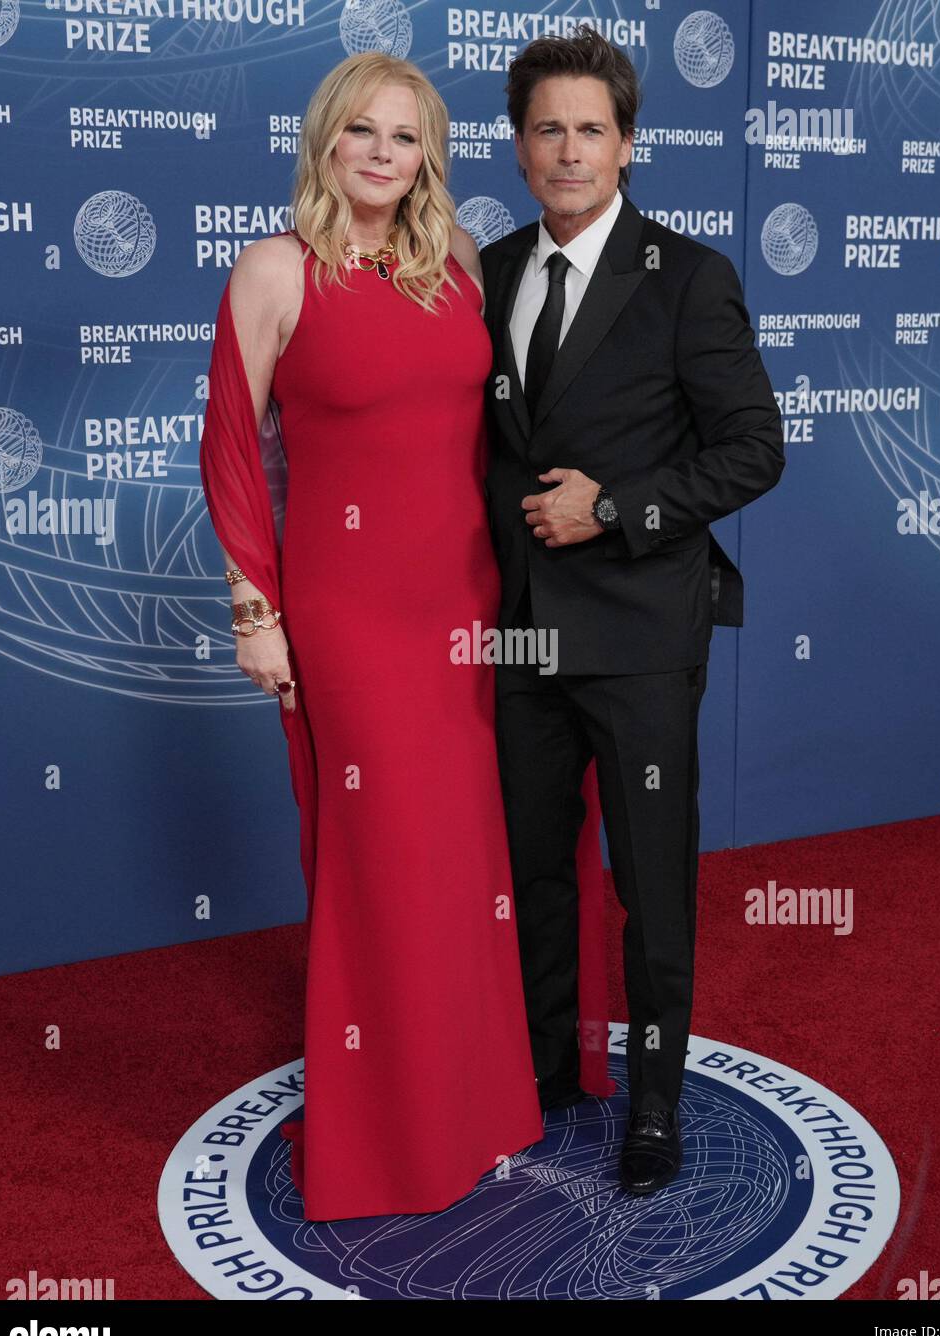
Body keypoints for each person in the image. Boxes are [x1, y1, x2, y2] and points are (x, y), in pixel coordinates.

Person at [198, 51, 611, 1223]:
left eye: (407, 135)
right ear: (327, 142)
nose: (383, 155)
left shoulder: (457, 271)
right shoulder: (275, 271)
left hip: (469, 609)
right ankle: (393, 1135)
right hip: (351, 612)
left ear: (430, 151)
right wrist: (254, 615)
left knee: (468, 861)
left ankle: (479, 1105)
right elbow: (230, 448)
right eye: (362, 133)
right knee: (385, 860)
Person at [480, 29, 785, 1195]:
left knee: (650, 885)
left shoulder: (687, 276)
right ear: (518, 148)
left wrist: (616, 506)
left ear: (627, 145)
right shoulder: (491, 272)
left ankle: (652, 1105)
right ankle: (546, 1069)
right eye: (547, 128)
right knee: (530, 867)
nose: (568, 149)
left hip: (643, 632)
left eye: (590, 129)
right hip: (519, 631)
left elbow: (752, 450)